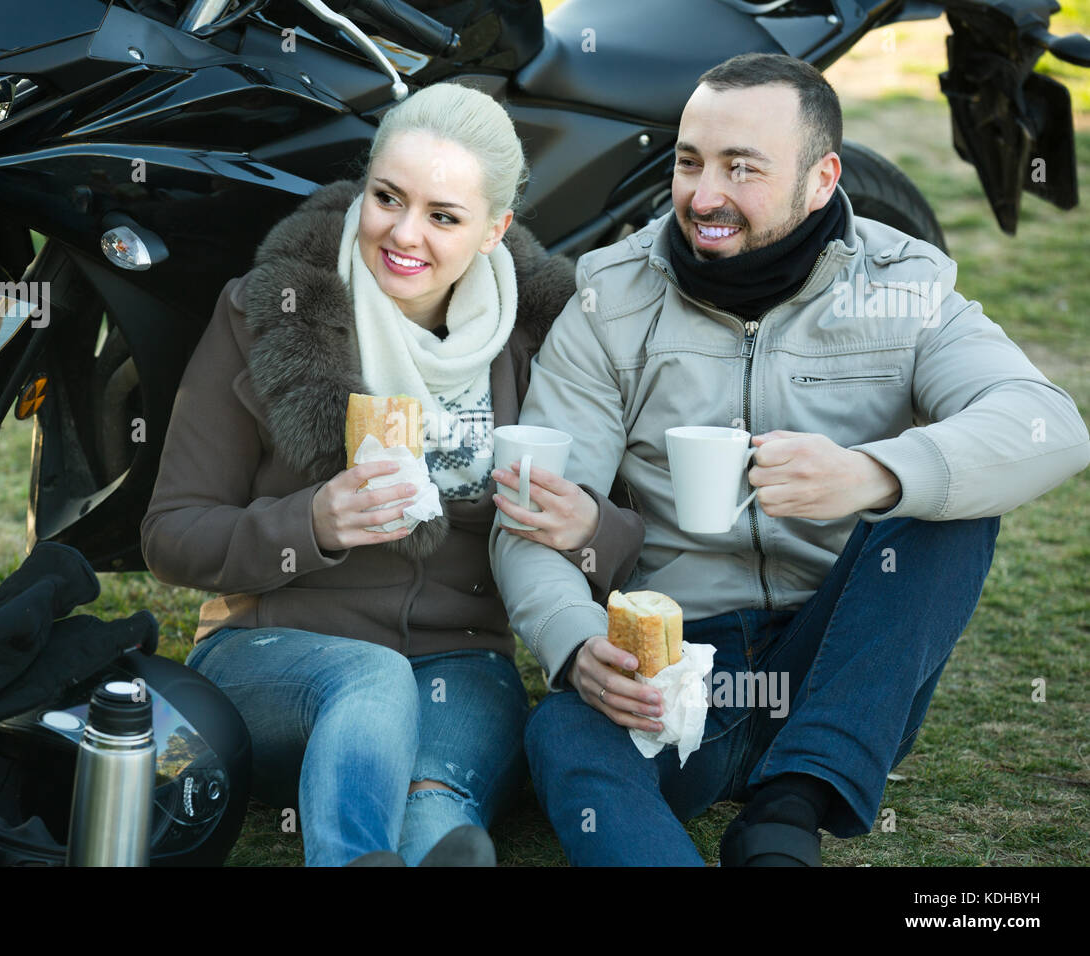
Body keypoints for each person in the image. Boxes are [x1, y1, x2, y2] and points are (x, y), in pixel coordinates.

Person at [490, 53, 1090, 866]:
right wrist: (572, 643)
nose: (705, 197)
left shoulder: (904, 285)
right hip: (678, 671)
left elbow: (1048, 424)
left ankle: (788, 808)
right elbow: (535, 511)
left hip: (839, 665)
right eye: (690, 162)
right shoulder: (608, 298)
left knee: (946, 505)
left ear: (821, 177)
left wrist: (872, 475)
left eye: (743, 169)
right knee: (562, 731)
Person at [140, 83, 632, 866]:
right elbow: (170, 534)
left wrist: (591, 529)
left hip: (464, 660)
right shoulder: (265, 313)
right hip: (273, 656)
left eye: (444, 216)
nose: (404, 234)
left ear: (495, 229)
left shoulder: (546, 342)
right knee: (373, 681)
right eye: (387, 198)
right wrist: (310, 525)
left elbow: (632, 526)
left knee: (433, 792)